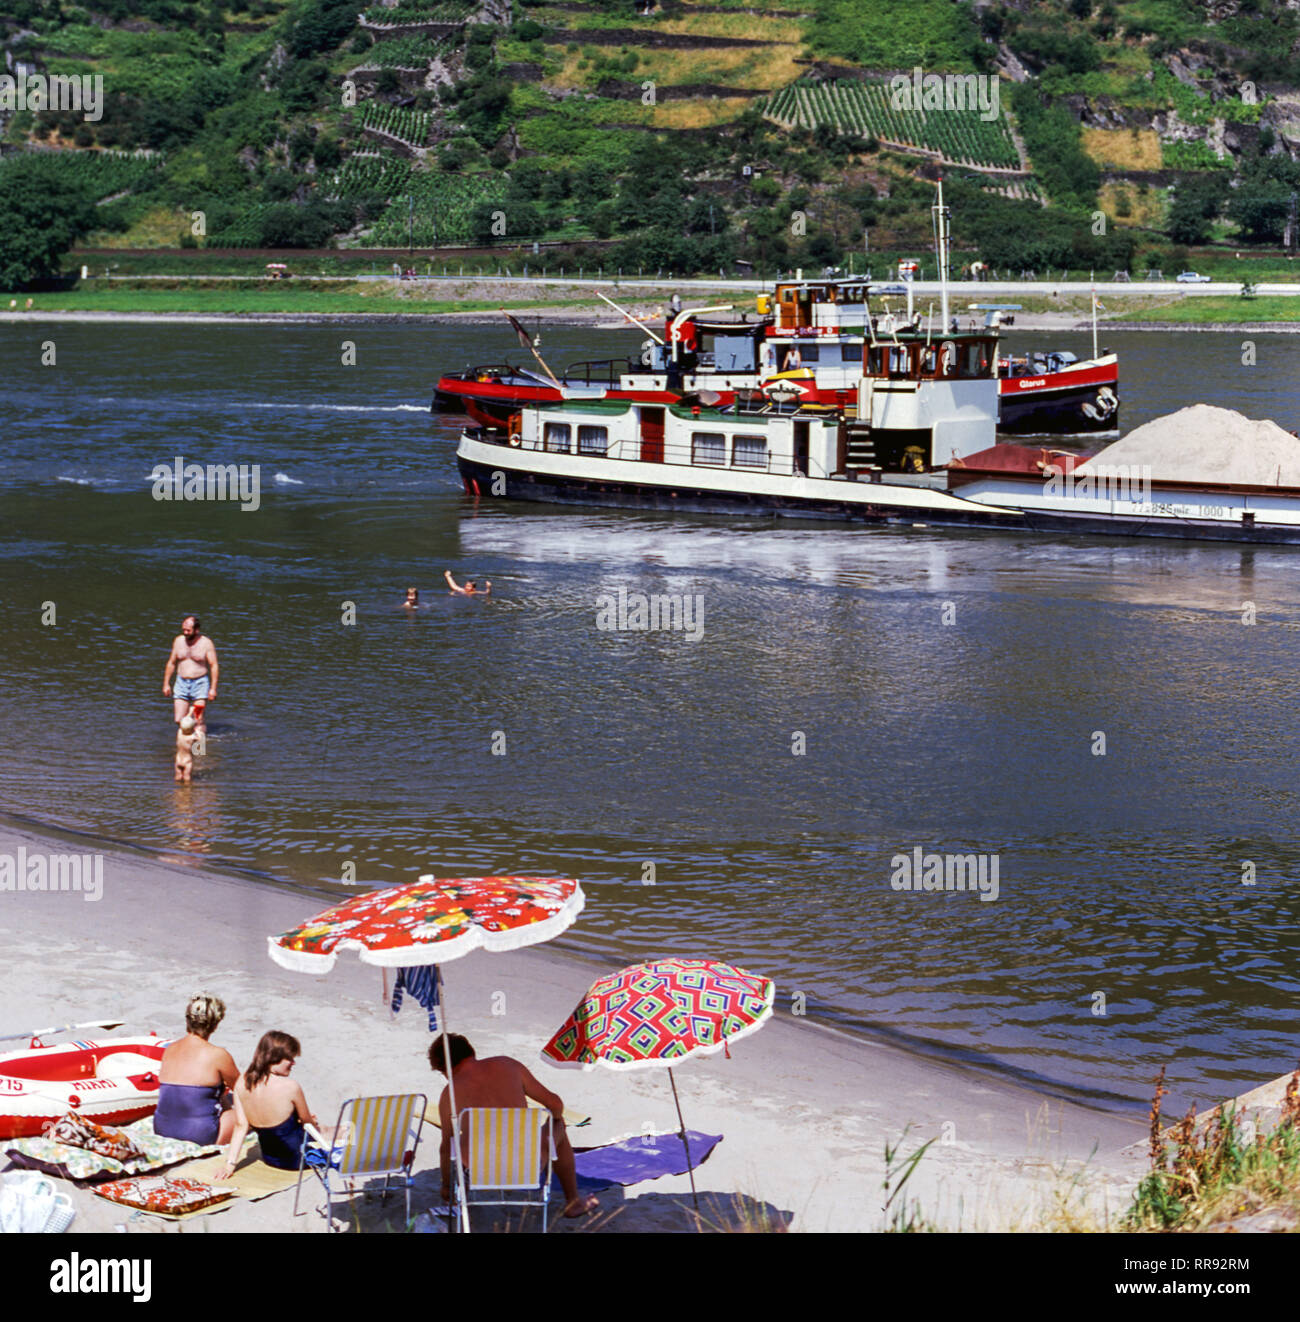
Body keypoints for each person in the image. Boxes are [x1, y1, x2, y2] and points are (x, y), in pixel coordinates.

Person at [429, 1034, 597, 1218]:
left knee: (458, 1141)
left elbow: (446, 1148)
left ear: (443, 1068)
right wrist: (553, 1122)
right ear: (471, 1052)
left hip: (480, 1171)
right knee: (558, 1124)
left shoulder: (448, 1094)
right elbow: (555, 1105)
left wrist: (446, 1185)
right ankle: (573, 1202)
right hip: (527, 1165)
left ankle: (457, 1201)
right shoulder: (507, 1065)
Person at [216, 1031, 337, 1177]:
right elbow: (307, 1124)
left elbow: (241, 1126)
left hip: (271, 1159)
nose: (293, 1063)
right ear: (275, 1057)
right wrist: (313, 1123)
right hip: (298, 1158)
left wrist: (230, 1165)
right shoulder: (290, 1086)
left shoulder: (243, 1082)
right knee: (338, 1131)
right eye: (290, 1058)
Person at [155, 994, 240, 1145]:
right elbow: (243, 1089)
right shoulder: (218, 1054)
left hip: (162, 1129)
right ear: (215, 1024)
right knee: (245, 1115)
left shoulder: (170, 1049)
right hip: (198, 1134)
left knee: (215, 1095)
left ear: (188, 1020)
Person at [163, 614, 218, 735]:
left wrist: (213, 689)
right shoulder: (178, 641)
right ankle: (187, 747)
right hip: (181, 683)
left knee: (198, 719)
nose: (185, 632)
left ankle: (199, 750)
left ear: (196, 630)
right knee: (179, 720)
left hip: (200, 684)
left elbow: (213, 665)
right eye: (183, 630)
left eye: (188, 630)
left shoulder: (206, 643)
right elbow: (171, 663)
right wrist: (166, 683)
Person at [174, 715, 199, 782]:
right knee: (187, 776)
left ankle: (177, 789)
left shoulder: (179, 732)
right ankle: (187, 790)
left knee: (178, 775)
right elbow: (199, 740)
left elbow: (183, 724)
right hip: (187, 761)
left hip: (178, 759)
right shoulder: (192, 737)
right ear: (192, 728)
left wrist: (189, 713)